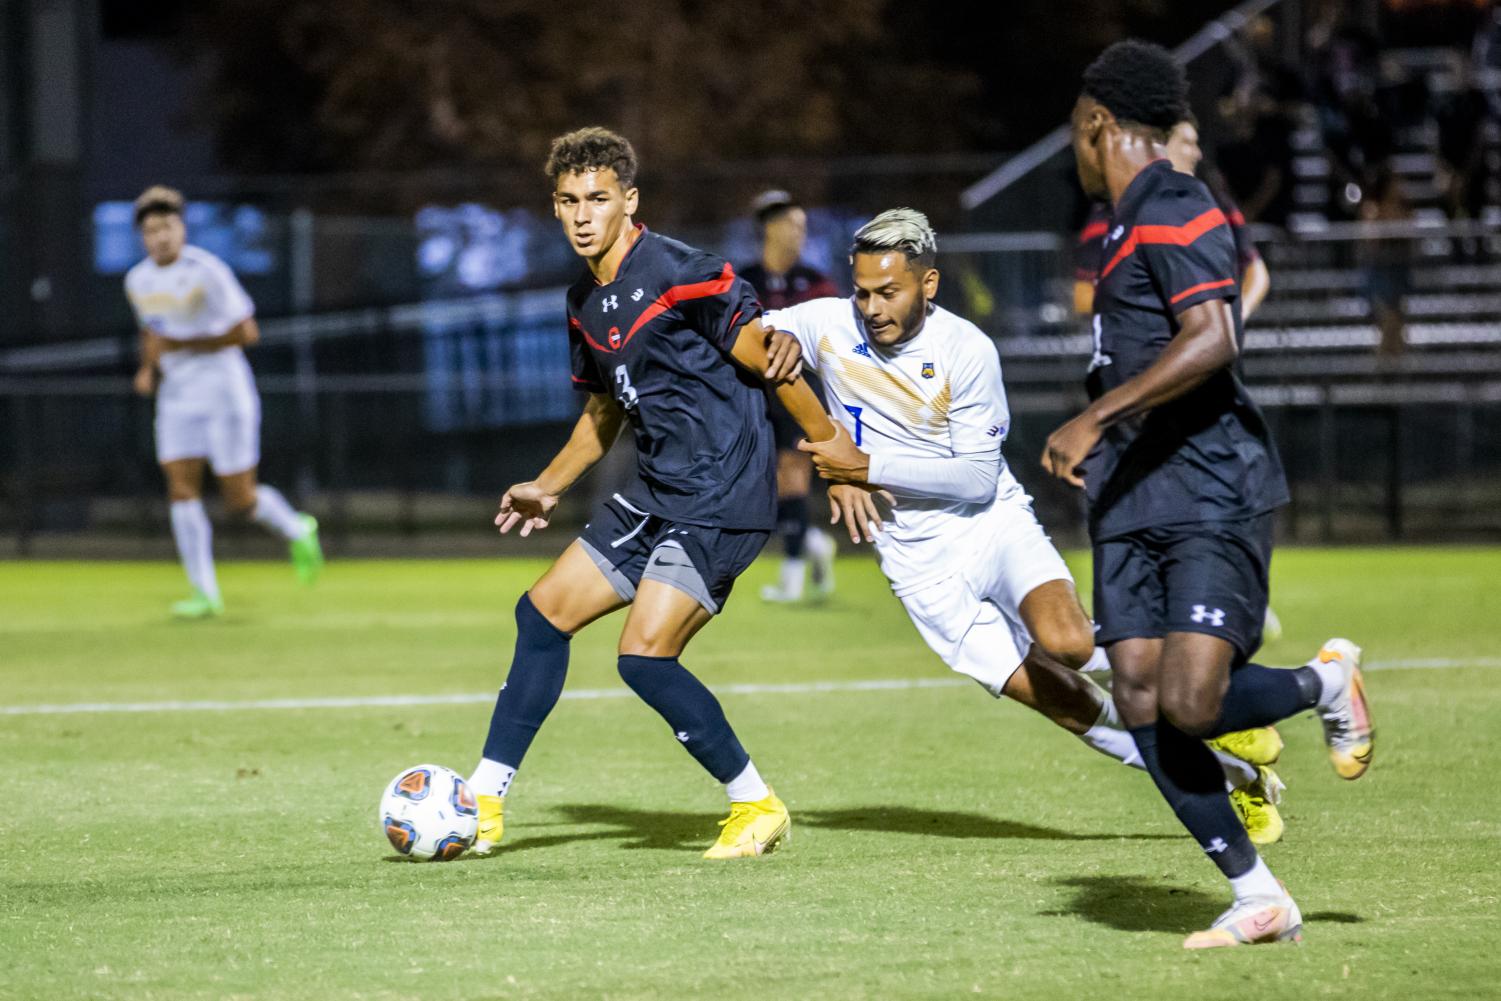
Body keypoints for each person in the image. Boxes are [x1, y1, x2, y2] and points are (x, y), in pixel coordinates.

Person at [780, 209, 1285, 845]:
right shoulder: (824, 321)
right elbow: (747, 336)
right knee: (1068, 704)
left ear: (928, 284)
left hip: (990, 524)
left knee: (1070, 642)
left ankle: (1210, 688)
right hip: (917, 564)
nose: (871, 307)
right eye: (861, 292)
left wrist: (862, 465)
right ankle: (1233, 780)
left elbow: (974, 479)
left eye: (889, 292)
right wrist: (817, 425)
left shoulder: (967, 350)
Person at [1043, 41, 1374, 949]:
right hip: (1128, 493)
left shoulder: (1173, 202)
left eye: (1075, 132)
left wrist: (1094, 416)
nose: (1073, 148)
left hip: (1203, 481)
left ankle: (1323, 680)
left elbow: (1212, 335)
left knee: (1191, 701)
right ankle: (1256, 892)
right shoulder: (1114, 221)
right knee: (1141, 699)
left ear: (1096, 124)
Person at [466, 128, 840, 860]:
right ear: (554, 207)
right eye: (569, 201)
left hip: (723, 495)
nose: (582, 214)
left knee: (642, 656)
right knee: (541, 615)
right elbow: (604, 411)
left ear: (628, 201)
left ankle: (755, 803)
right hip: (657, 491)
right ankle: (481, 800)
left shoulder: (681, 271)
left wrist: (834, 449)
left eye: (598, 199)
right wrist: (547, 485)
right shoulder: (583, 300)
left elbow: (771, 358)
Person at [126, 186, 323, 619]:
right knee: (180, 488)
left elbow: (247, 332)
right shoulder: (137, 279)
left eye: (168, 227)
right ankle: (204, 594)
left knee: (240, 499)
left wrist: (185, 342)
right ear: (142, 235)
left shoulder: (206, 271)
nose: (161, 236)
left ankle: (297, 528)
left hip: (224, 390)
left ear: (182, 229)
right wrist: (147, 368)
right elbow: (152, 330)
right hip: (177, 397)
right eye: (152, 229)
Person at [739, 190, 841, 603]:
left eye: (802, 226)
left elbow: (835, 341)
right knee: (769, 485)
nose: (799, 234)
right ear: (770, 228)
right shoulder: (743, 280)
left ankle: (793, 573)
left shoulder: (816, 283)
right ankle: (813, 543)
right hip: (752, 396)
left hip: (800, 394)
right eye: (791, 225)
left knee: (793, 475)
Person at [1074, 116, 1270, 322]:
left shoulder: (1216, 203)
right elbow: (1083, 297)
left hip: (1209, 343)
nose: (1198, 154)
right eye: (1187, 143)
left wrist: (1237, 316)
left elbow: (1256, 271)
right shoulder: (1114, 209)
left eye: (1197, 144)